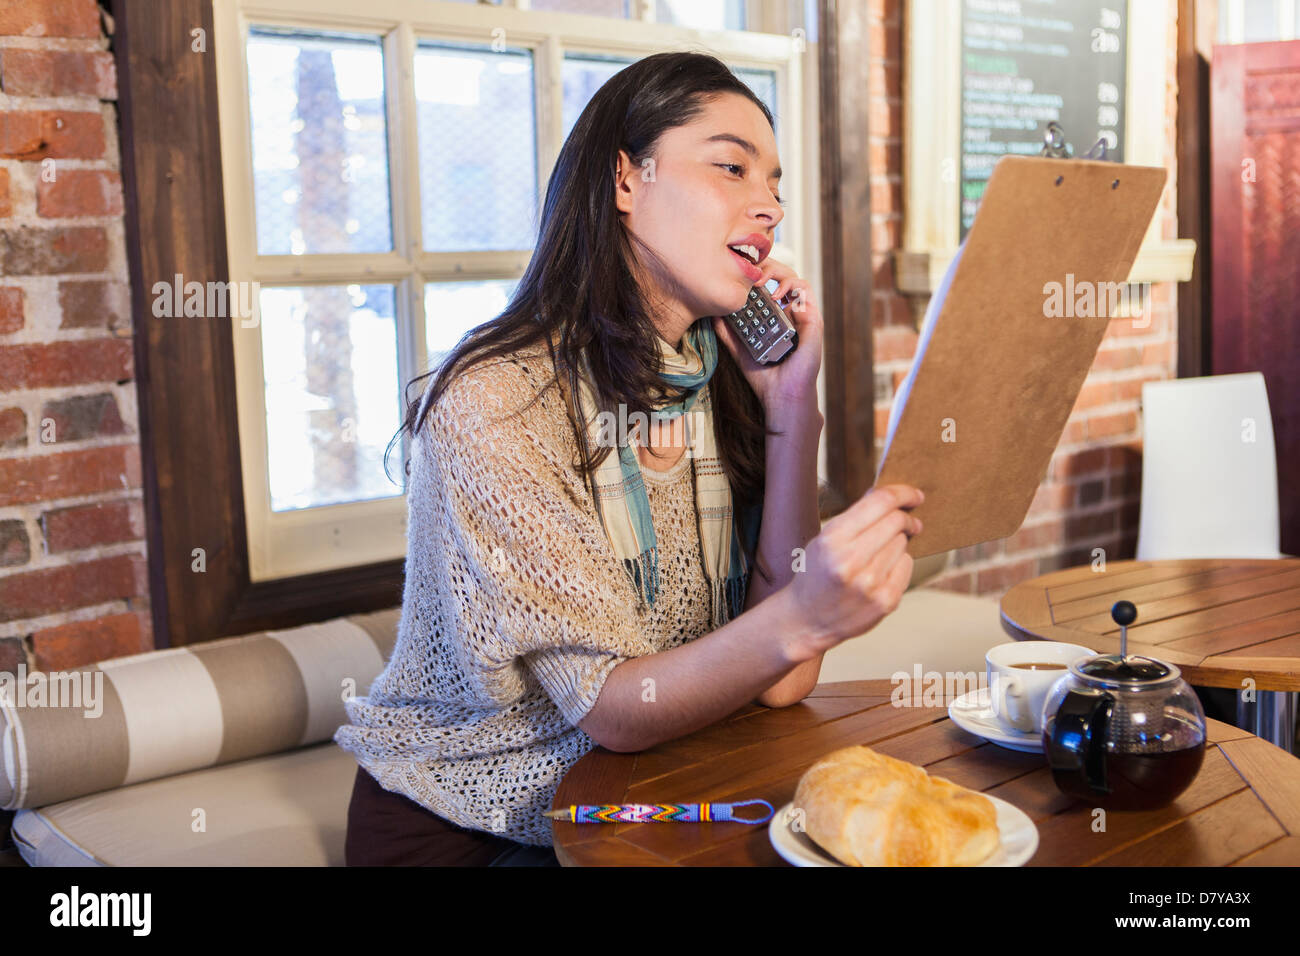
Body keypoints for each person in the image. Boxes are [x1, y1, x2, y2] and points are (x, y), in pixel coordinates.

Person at [334, 50, 923, 867]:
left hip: (644, 795)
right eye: (732, 167)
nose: (769, 208)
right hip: (470, 825)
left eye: (776, 186)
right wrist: (809, 614)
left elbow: (783, 679)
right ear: (625, 180)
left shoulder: (719, 379)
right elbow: (614, 707)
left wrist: (793, 407)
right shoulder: (495, 399)